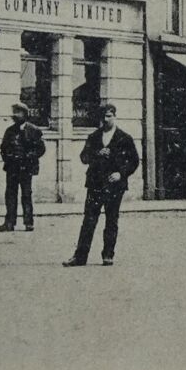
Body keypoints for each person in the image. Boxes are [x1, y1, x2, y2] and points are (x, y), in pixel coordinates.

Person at [65, 104, 140, 266]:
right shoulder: (93, 137)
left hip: (115, 185)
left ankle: (108, 255)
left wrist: (121, 173)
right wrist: (97, 154)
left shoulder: (124, 138)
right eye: (103, 117)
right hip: (95, 184)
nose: (106, 120)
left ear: (114, 116)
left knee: (111, 220)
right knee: (89, 220)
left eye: (109, 116)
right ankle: (80, 257)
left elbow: (134, 161)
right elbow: (84, 157)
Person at [0, 101, 46, 232]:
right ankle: (9, 223)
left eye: (18, 113)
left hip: (26, 168)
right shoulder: (10, 131)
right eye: (14, 113)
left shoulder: (33, 130)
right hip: (12, 168)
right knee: (10, 195)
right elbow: (3, 148)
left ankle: (28, 222)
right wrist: (8, 158)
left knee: (26, 195)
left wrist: (28, 157)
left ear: (25, 114)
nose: (15, 115)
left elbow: (41, 149)